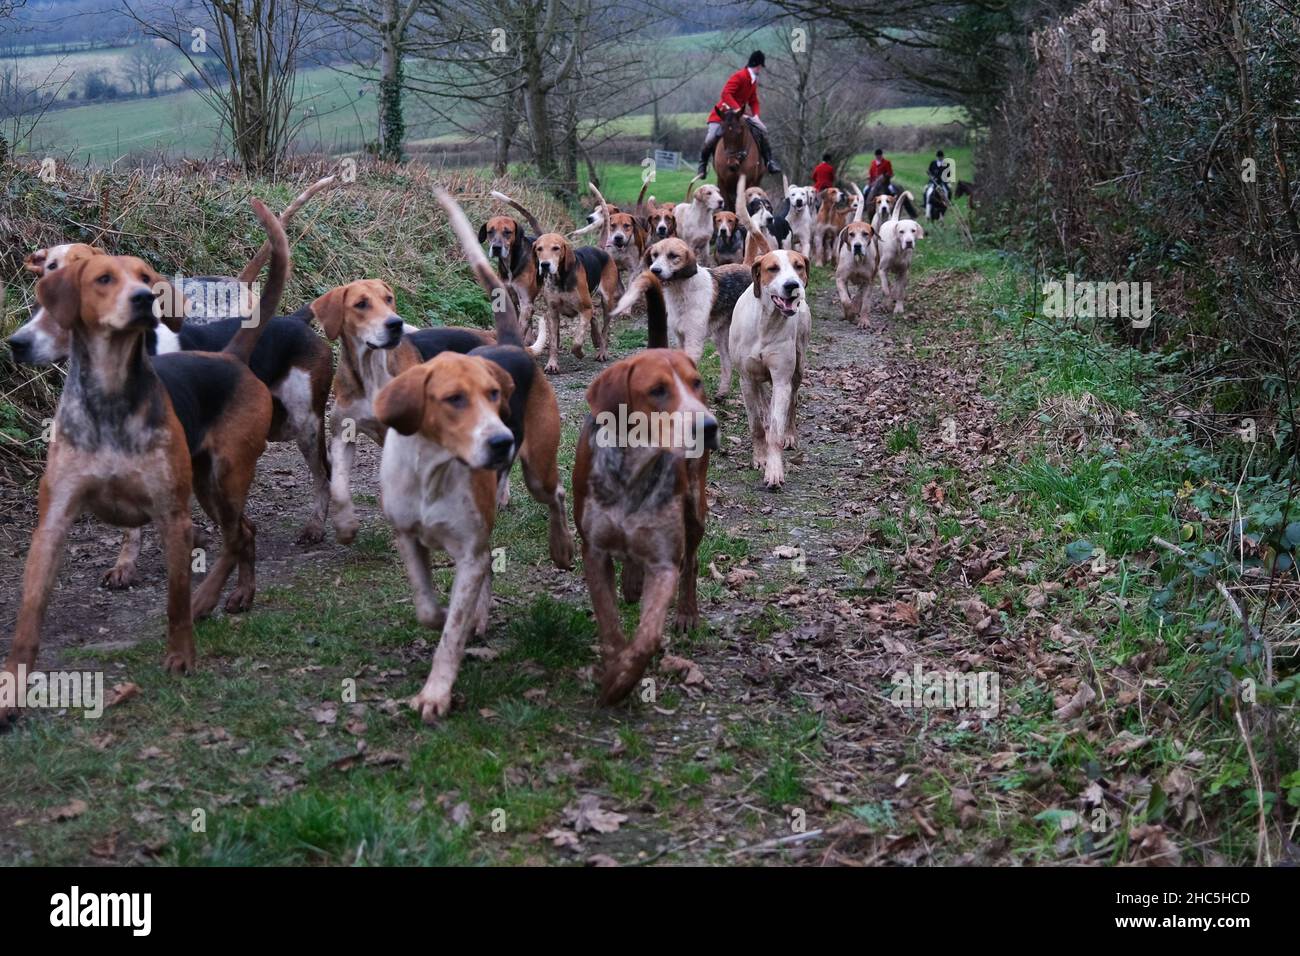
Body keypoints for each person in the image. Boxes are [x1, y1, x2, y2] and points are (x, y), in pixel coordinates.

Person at [698, 51, 781, 177]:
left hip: (741, 114)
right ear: (758, 66)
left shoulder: (753, 80)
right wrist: (737, 109)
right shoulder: (740, 76)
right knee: (711, 137)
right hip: (723, 113)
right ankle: (702, 165)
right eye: (760, 67)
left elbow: (753, 100)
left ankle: (769, 161)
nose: (761, 70)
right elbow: (725, 94)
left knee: (762, 130)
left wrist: (756, 116)